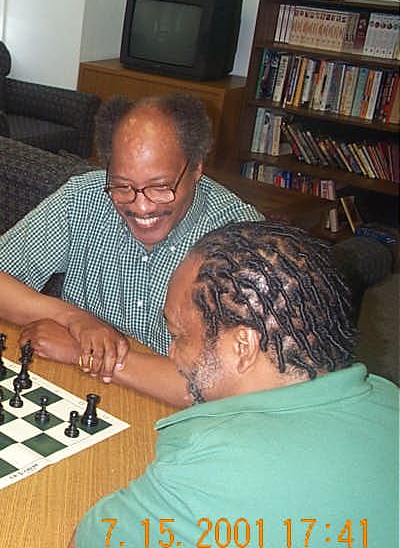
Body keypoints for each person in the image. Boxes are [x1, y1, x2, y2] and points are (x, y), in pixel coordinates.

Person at [70, 221, 399, 548]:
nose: (171, 352)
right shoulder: (387, 397)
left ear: (243, 346)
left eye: (178, 335)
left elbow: (88, 539)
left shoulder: (209, 467)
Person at [0, 93, 263, 405]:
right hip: (80, 395)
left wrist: (83, 352)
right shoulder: (83, 198)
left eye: (161, 187)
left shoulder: (241, 241)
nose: (141, 207)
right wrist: (74, 318)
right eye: (121, 186)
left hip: (178, 419)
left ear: (196, 167)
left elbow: (223, 384)